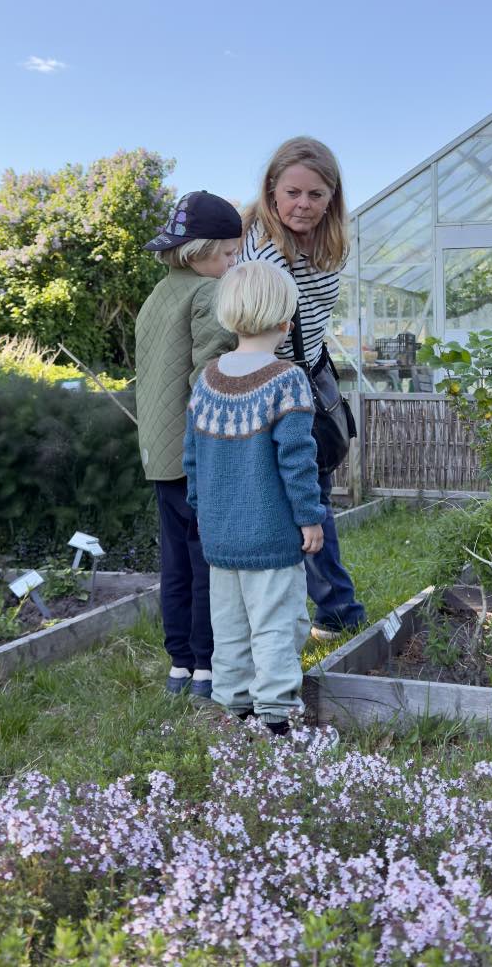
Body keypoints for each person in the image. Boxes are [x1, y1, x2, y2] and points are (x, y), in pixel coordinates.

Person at [183, 261, 325, 735]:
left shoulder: (206, 379)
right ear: (286, 321)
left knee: (229, 626)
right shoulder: (286, 380)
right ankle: (277, 717)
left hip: (219, 535)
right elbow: (298, 460)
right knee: (276, 626)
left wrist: (202, 513)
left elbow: (192, 460)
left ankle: (234, 705)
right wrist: (310, 517)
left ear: (229, 315)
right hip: (270, 533)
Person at [239, 137, 366, 639]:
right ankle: (330, 612)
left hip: (312, 367)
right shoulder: (262, 246)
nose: (304, 205)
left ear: (332, 197)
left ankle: (331, 610)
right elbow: (256, 321)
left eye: (317, 195)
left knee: (312, 492)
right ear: (272, 190)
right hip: (273, 378)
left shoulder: (329, 240)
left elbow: (314, 318)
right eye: (292, 193)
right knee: (300, 496)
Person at [136, 190, 242, 699]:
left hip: (157, 451)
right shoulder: (206, 294)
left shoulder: (158, 296)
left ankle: (177, 663)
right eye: (226, 254)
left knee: (175, 562)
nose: (231, 264)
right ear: (197, 252)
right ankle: (207, 665)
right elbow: (210, 370)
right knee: (207, 562)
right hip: (195, 449)